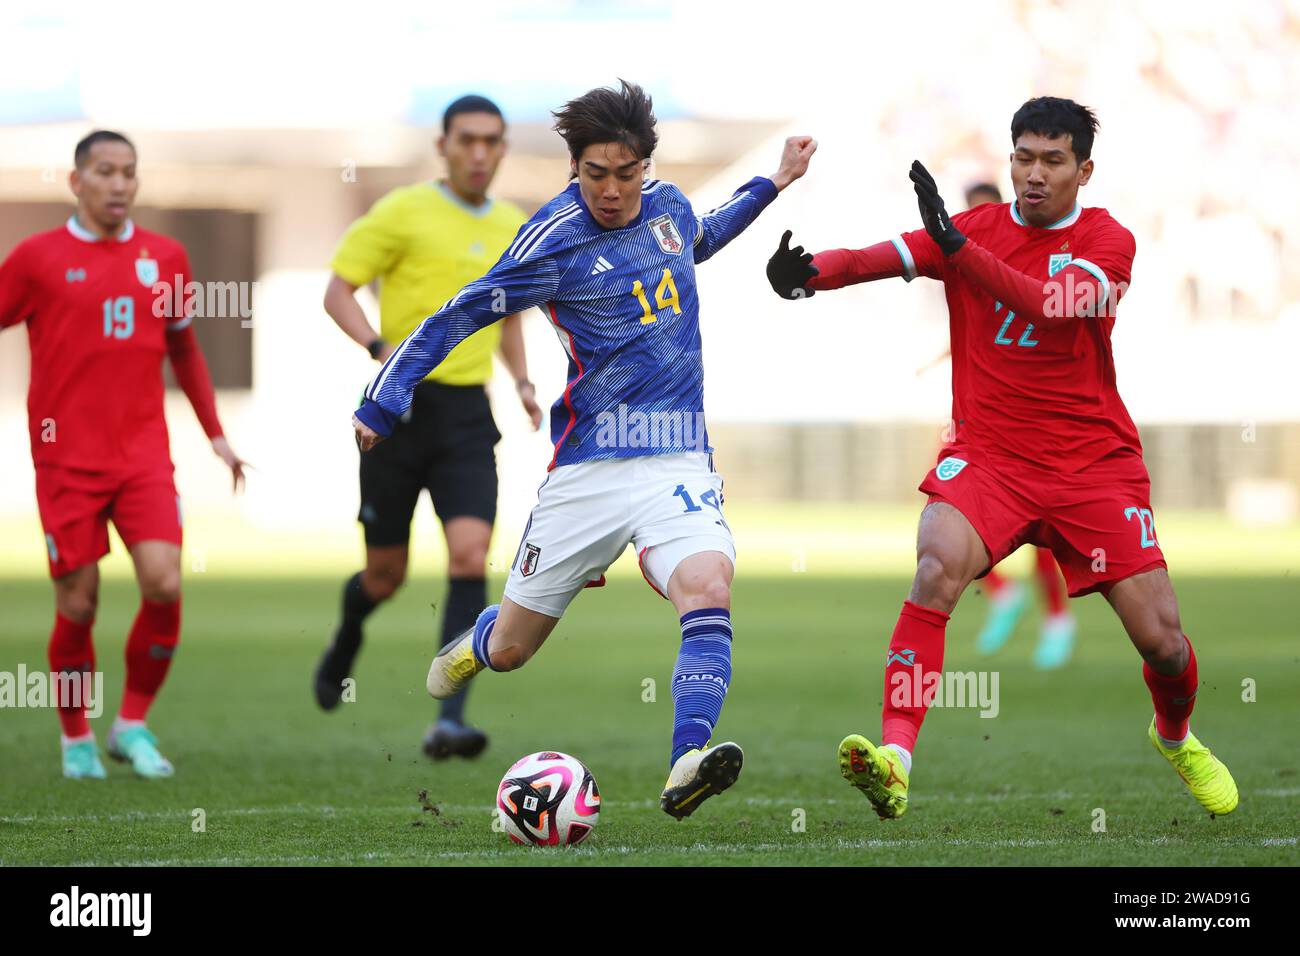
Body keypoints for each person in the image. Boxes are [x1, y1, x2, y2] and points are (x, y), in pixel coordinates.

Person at [354, 80, 816, 819]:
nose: (610, 190)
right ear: (575, 168)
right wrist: (387, 394)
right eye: (594, 174)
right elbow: (462, 311)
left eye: (624, 174)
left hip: (676, 455)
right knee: (511, 651)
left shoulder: (666, 207)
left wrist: (774, 182)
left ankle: (685, 761)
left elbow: (703, 236)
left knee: (708, 585)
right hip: (590, 469)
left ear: (645, 165)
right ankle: (479, 640)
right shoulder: (553, 238)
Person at [766, 96, 1237, 819]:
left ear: (1084, 170)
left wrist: (958, 250)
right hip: (990, 459)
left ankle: (1174, 735)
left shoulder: (1108, 241)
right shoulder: (974, 229)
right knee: (934, 568)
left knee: (1164, 642)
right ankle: (896, 757)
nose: (1035, 174)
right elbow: (879, 257)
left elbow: (1051, 303)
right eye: (1024, 157)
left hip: (1092, 466)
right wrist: (808, 275)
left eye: (1053, 160)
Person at [0, 130, 245, 779]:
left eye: (129, 172)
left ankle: (130, 724)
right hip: (64, 460)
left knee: (164, 581)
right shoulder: (36, 258)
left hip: (142, 456)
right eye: (105, 171)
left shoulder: (164, 256)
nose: (119, 183)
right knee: (78, 603)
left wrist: (215, 432)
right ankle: (76, 738)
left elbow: (184, 350)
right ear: (76, 181)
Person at [315, 95, 542, 761]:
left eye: (492, 141)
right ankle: (347, 636)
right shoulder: (402, 211)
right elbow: (336, 290)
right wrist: (381, 353)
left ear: (502, 150)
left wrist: (524, 383)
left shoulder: (512, 225)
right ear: (442, 145)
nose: (479, 153)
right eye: (467, 140)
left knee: (471, 557)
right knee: (385, 575)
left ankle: (450, 717)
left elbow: (510, 315)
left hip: (469, 414)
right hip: (398, 409)